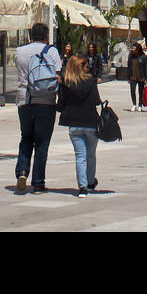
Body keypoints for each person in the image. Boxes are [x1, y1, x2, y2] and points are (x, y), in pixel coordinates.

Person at [14, 22, 61, 194]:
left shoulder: (20, 51)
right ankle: (38, 183)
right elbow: (57, 75)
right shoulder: (52, 51)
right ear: (46, 36)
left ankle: (22, 172)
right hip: (45, 101)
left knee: (26, 137)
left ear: (30, 35)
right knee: (42, 142)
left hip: (24, 100)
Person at [57, 54, 102, 197]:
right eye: (85, 66)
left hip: (74, 123)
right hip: (90, 122)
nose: (87, 68)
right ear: (80, 68)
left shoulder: (66, 83)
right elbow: (96, 101)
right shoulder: (91, 82)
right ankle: (90, 182)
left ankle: (82, 187)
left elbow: (61, 104)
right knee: (91, 154)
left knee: (80, 156)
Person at [127, 41, 147, 112]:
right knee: (132, 91)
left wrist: (146, 78)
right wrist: (128, 77)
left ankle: (140, 105)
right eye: (132, 48)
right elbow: (129, 67)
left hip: (141, 77)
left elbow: (146, 68)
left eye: (134, 48)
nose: (132, 49)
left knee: (140, 92)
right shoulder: (131, 56)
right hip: (133, 76)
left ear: (138, 49)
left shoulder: (143, 57)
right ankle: (134, 104)